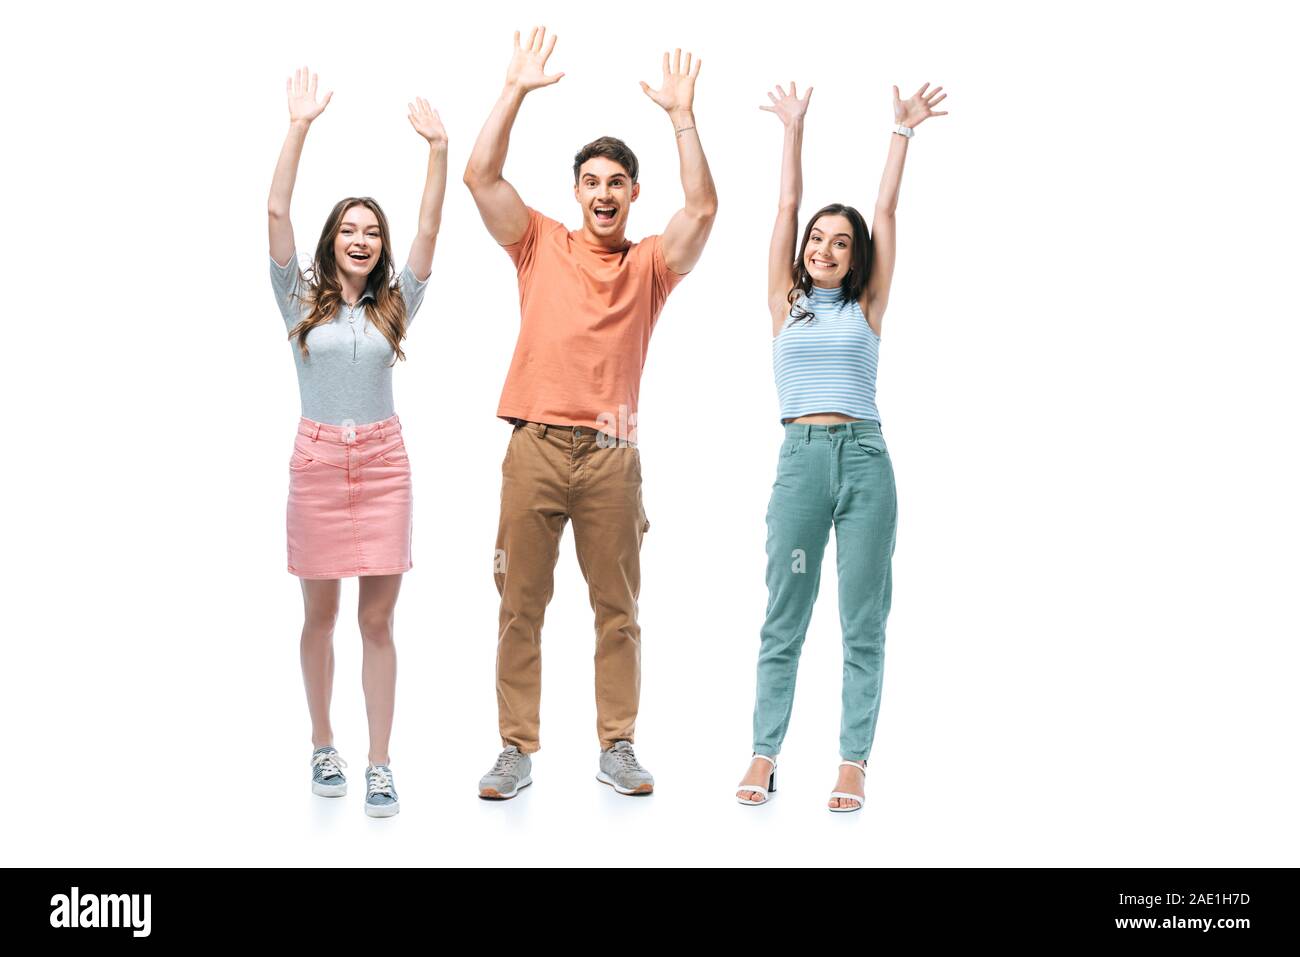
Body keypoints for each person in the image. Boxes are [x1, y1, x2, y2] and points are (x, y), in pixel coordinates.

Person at [463, 27, 717, 799]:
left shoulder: (648, 265)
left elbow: (703, 209)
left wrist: (682, 116)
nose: (604, 193)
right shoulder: (538, 242)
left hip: (612, 451)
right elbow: (480, 176)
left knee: (619, 609)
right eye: (592, 181)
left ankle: (618, 745)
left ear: (633, 194)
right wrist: (515, 88)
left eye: (617, 182)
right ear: (576, 191)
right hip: (534, 444)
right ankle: (516, 748)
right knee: (519, 605)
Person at [735, 80, 947, 811]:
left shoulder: (868, 305)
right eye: (818, 240)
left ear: (854, 257)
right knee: (784, 613)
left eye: (839, 241)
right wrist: (793, 130)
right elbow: (786, 206)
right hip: (800, 462)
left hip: (864, 462)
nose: (824, 247)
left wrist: (902, 132)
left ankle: (852, 760)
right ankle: (764, 752)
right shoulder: (780, 301)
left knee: (863, 616)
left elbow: (885, 211)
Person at [267, 67, 447, 817]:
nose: (363, 240)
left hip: (382, 463)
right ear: (332, 238)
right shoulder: (299, 299)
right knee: (321, 617)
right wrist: (300, 124)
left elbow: (431, 232)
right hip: (317, 461)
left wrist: (439, 148)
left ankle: (379, 762)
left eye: (372, 232)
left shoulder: (396, 305)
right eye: (351, 229)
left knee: (378, 620)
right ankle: (321, 742)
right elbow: (275, 207)